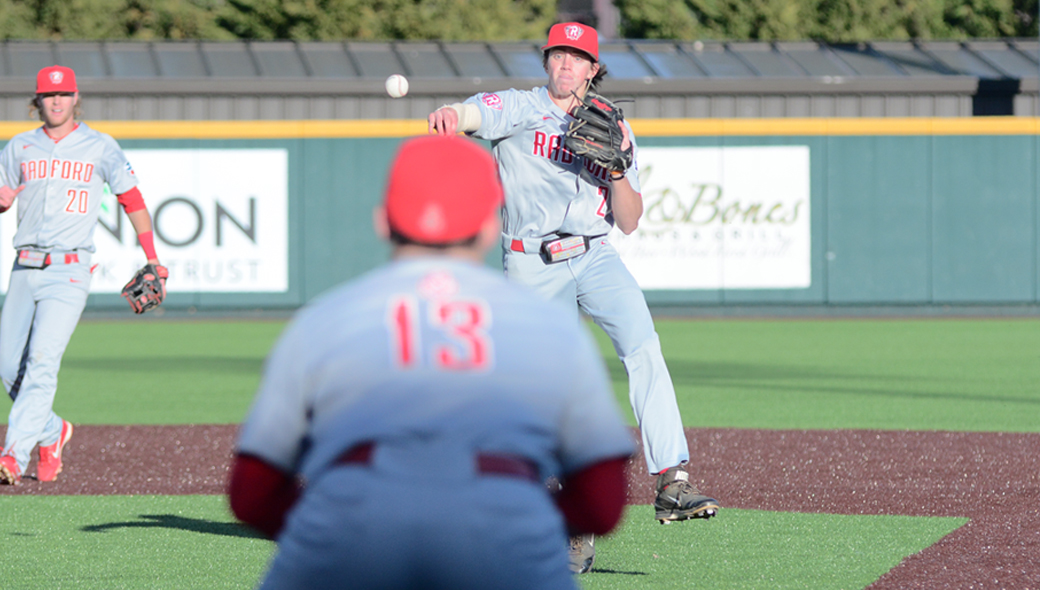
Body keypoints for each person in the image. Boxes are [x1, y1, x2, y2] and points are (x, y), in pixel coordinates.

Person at [228, 135, 635, 589]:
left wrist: (326, 526)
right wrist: (531, 524)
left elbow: (251, 494)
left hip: (351, 532)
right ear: (487, 227)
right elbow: (603, 500)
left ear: (382, 222)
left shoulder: (322, 322)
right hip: (503, 537)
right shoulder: (550, 327)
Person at [428, 20, 720, 569]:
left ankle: (673, 480)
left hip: (596, 253)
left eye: (575, 58)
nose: (564, 65)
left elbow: (630, 220)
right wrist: (452, 115)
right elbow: (473, 112)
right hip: (532, 262)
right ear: (547, 63)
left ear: (592, 69)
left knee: (644, 346)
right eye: (556, 56)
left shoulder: (613, 124)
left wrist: (615, 171)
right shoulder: (520, 107)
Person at [0, 65, 164, 485]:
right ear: (36, 101)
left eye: (63, 94)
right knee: (6, 366)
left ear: (76, 98)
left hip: (69, 272)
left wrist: (152, 258)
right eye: (48, 95)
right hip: (24, 267)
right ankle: (53, 432)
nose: (55, 102)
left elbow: (132, 199)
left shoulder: (100, 146)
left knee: (42, 363)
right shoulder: (18, 147)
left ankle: (12, 457)